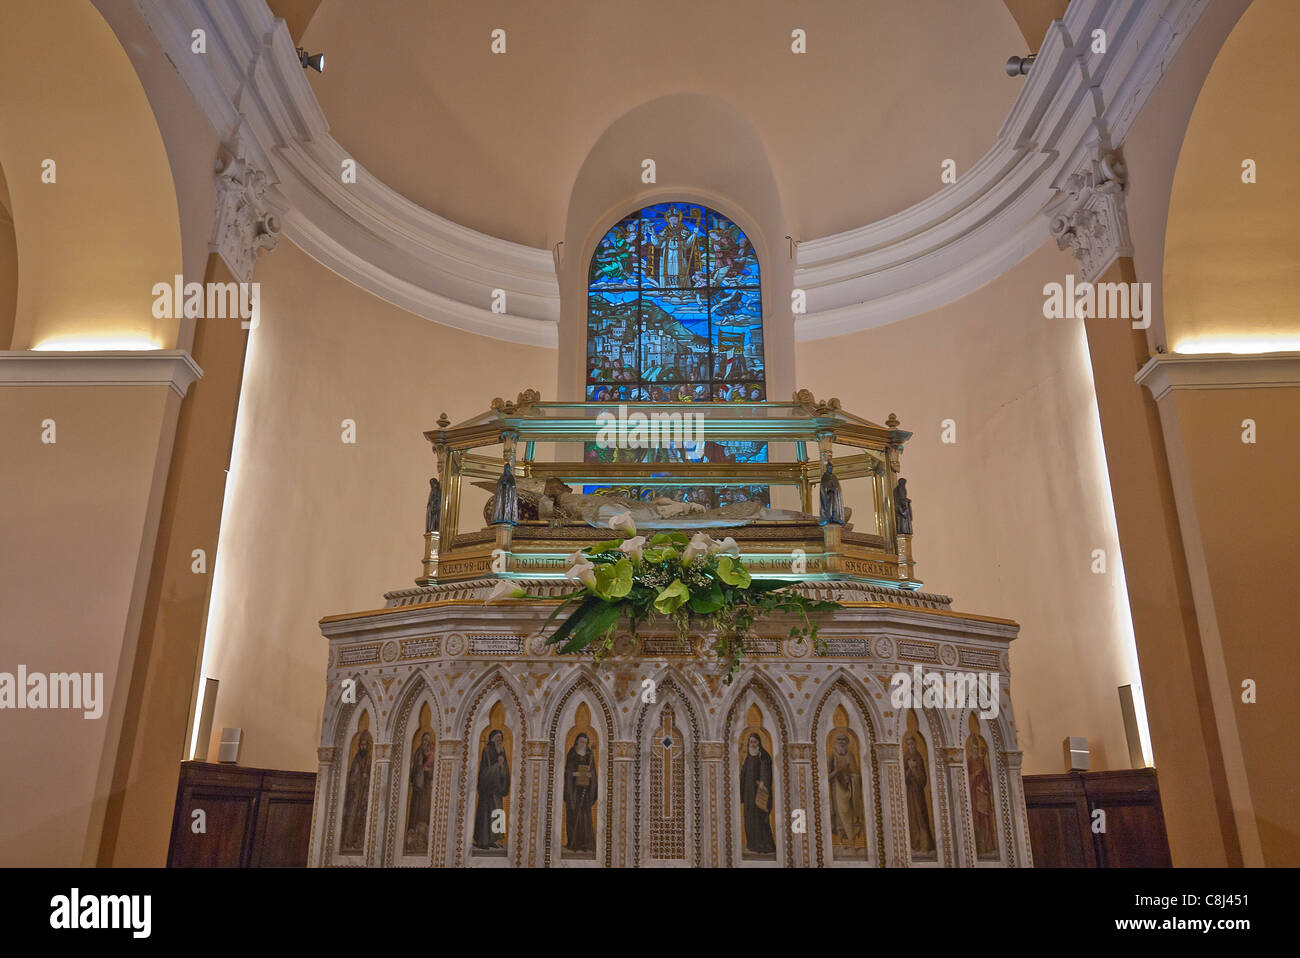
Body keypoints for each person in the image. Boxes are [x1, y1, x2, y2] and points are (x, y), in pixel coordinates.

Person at [473, 730, 511, 850]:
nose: (500, 740)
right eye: (497, 737)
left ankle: (493, 839)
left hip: (497, 789)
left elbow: (505, 769)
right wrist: (497, 767)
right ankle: (483, 841)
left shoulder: (502, 751)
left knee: (497, 813)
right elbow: (484, 771)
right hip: (487, 790)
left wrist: (502, 768)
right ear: (492, 738)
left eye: (501, 737)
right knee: (487, 814)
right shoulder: (487, 750)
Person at [739, 733, 776, 854]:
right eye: (751, 742)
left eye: (755, 742)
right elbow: (744, 773)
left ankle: (765, 845)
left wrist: (762, 783)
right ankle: (753, 844)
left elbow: (766, 771)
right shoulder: (748, 757)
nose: (753, 744)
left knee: (760, 818)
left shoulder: (763, 756)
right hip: (748, 794)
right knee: (749, 818)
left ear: (759, 742)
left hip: (759, 793)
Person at [563, 733, 599, 854]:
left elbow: (593, 772)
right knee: (573, 815)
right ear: (576, 742)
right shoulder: (572, 753)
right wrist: (576, 774)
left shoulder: (590, 755)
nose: (582, 744)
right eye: (580, 742)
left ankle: (585, 844)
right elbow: (567, 772)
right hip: (574, 791)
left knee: (585, 817)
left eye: (585, 742)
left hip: (586, 790)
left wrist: (590, 776)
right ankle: (574, 843)